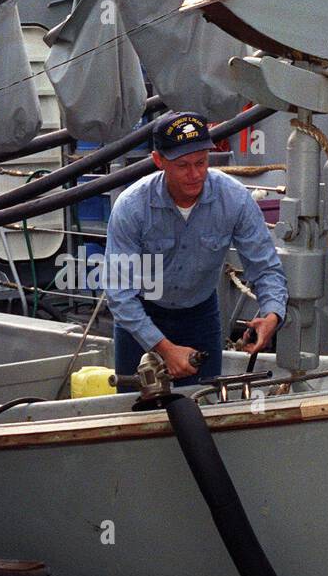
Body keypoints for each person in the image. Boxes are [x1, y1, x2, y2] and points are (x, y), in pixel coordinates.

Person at [106, 112, 288, 388]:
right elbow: (120, 293)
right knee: (136, 412)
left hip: (200, 318)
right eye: (182, 166)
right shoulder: (132, 207)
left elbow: (265, 267)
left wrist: (272, 314)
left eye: (201, 163)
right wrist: (164, 349)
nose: (195, 174)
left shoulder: (235, 199)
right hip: (140, 318)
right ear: (159, 161)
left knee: (204, 406)